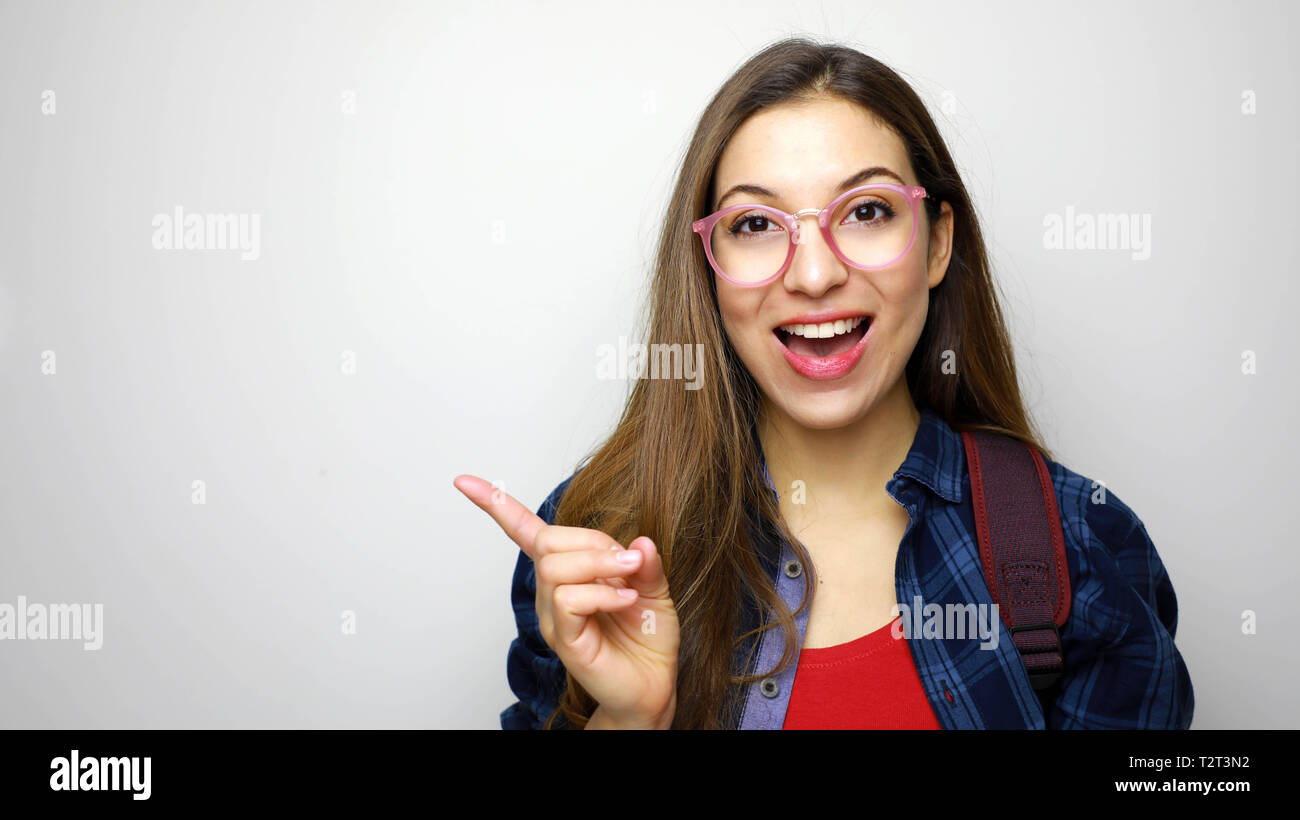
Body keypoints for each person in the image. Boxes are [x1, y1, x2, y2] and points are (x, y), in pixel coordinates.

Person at [454, 36, 1194, 730]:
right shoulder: (597, 542)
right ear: (708, 272)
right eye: (755, 225)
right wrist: (629, 720)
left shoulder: (1081, 545)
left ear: (937, 244)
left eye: (867, 212)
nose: (814, 275)